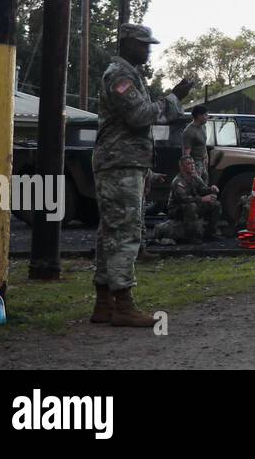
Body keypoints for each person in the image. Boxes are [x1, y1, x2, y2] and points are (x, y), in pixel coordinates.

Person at [91, 24, 192, 327]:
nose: (148, 50)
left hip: (123, 162)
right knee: (125, 231)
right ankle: (123, 305)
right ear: (126, 43)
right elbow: (139, 116)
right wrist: (173, 98)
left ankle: (104, 303)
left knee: (110, 232)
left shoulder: (129, 75)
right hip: (119, 163)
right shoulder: (120, 76)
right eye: (143, 44)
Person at [155, 156, 221, 243]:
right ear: (182, 167)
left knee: (216, 205)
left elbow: (203, 189)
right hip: (177, 210)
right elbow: (184, 199)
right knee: (191, 206)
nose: (193, 165)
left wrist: (211, 189)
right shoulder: (178, 181)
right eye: (189, 163)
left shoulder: (195, 177)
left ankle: (210, 233)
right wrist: (202, 199)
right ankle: (192, 236)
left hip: (193, 204)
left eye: (193, 163)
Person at [183, 106, 210, 182]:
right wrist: (191, 169)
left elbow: (203, 144)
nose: (208, 117)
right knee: (196, 185)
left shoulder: (203, 127)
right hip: (195, 163)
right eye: (206, 115)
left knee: (205, 184)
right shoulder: (189, 131)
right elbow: (186, 153)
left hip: (203, 162)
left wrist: (206, 156)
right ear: (199, 116)